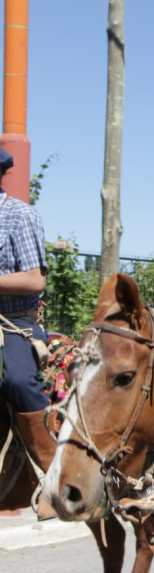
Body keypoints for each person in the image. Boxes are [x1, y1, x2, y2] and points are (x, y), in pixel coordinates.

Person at [0, 148, 53, 516]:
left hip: (15, 324)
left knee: (17, 379)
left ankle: (54, 476)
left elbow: (35, 279)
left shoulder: (19, 215)